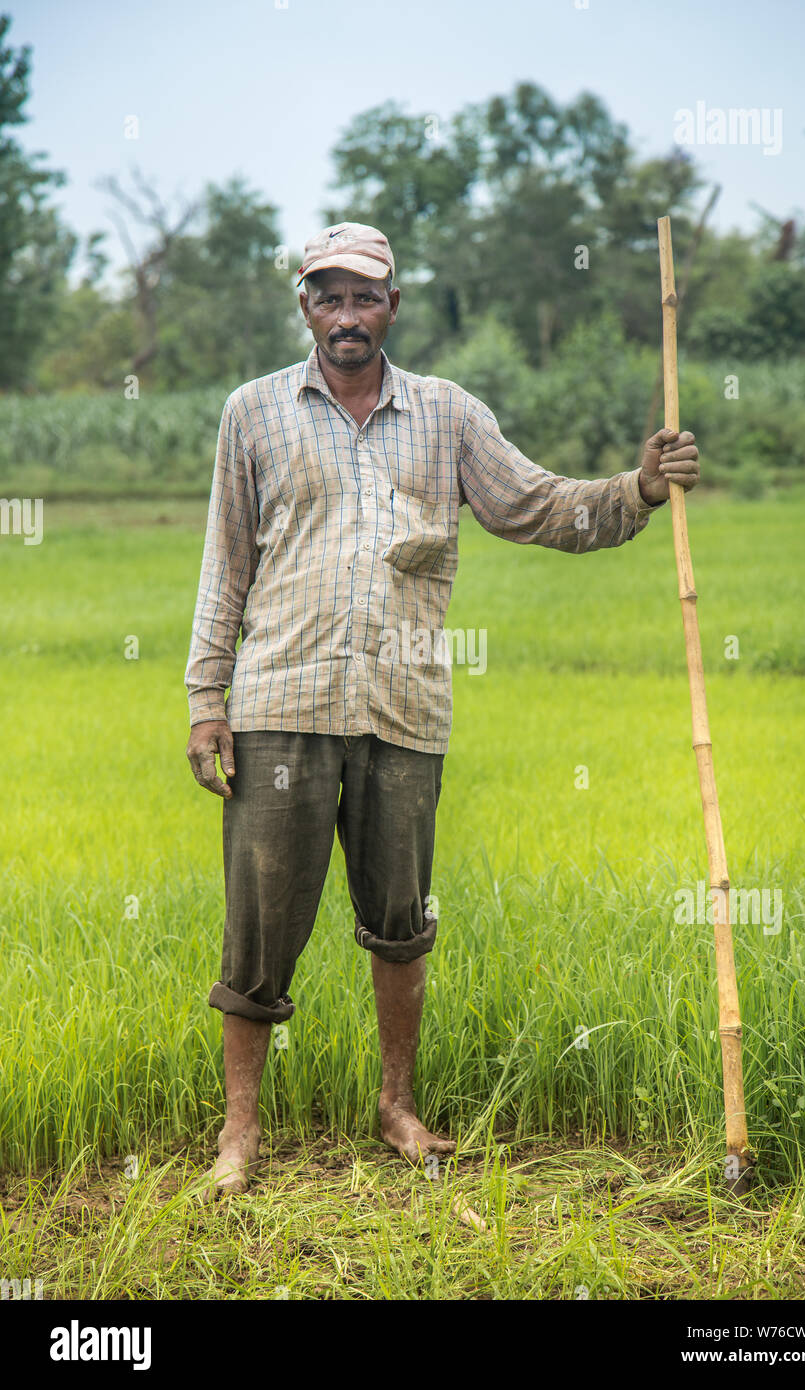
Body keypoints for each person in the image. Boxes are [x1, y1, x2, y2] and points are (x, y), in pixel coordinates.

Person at [184, 221, 700, 1197]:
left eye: (363, 296)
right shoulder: (250, 413)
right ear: (304, 305)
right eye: (327, 296)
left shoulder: (448, 415)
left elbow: (538, 505)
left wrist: (635, 489)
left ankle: (396, 1108)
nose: (346, 315)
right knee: (256, 930)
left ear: (393, 305)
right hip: (278, 701)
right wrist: (206, 697)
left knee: (400, 921)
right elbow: (226, 563)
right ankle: (238, 1135)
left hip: (403, 707)